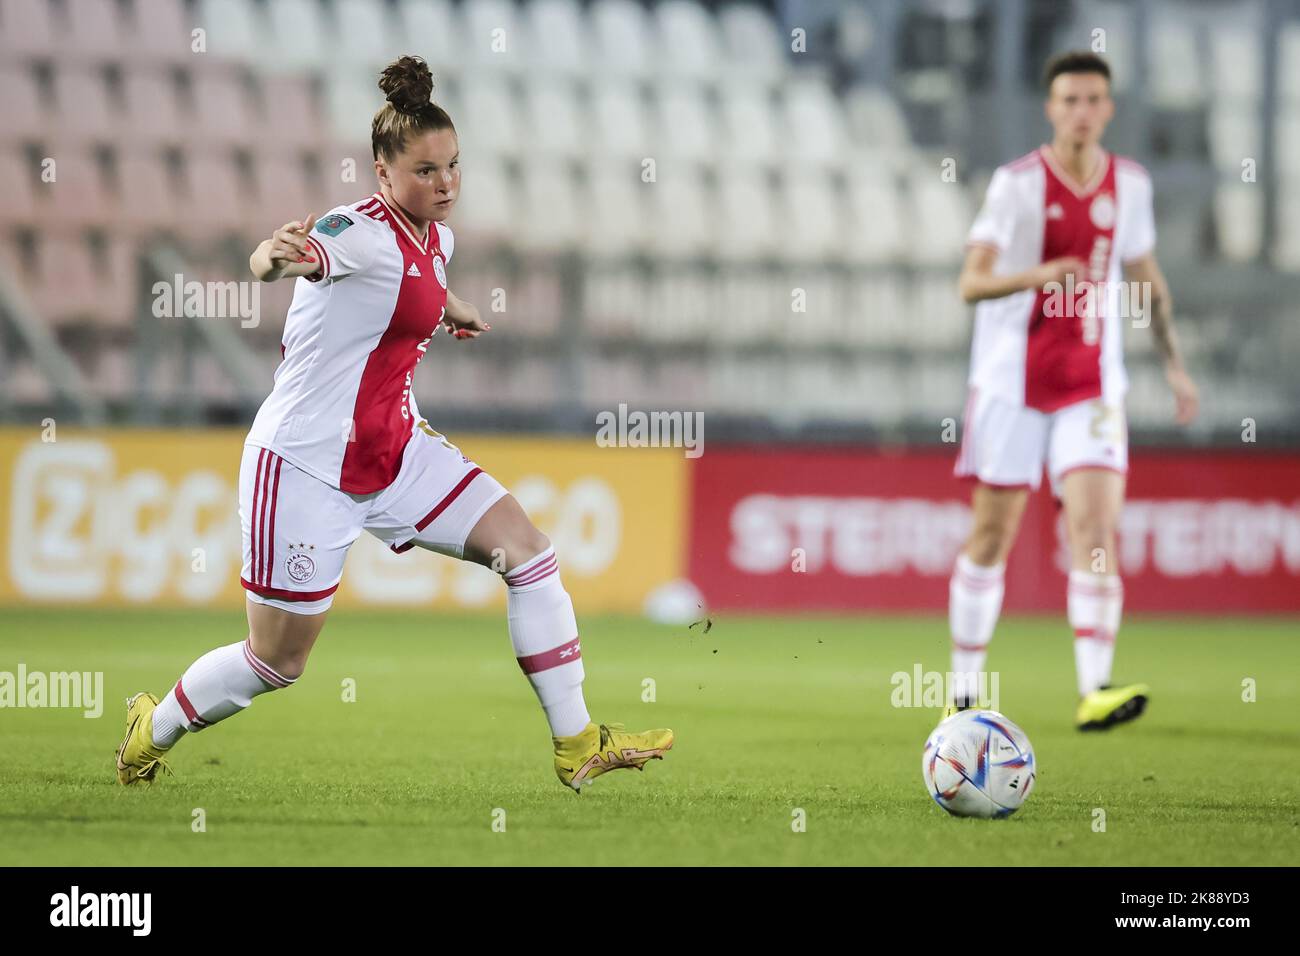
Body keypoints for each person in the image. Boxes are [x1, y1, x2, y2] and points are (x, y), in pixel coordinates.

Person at [116, 56, 673, 790]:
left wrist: (451, 308)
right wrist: (271, 257)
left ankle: (577, 746)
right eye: (424, 171)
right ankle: (150, 731)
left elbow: (409, 287)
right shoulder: (357, 230)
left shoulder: (435, 238)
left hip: (397, 452)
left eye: (452, 167)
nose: (443, 184)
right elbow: (297, 258)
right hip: (308, 464)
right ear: (383, 175)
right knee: (275, 663)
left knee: (530, 556)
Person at [947, 51, 1199, 730]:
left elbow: (1145, 277)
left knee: (1094, 530)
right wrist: (1037, 275)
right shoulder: (1016, 185)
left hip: (1091, 384)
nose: (1082, 111)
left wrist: (1173, 362)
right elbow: (970, 283)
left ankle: (1095, 690)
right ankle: (963, 688)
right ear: (1050, 108)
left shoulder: (1132, 186)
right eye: (1069, 100)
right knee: (992, 535)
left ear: (1108, 108)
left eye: (1093, 100)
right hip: (1010, 383)